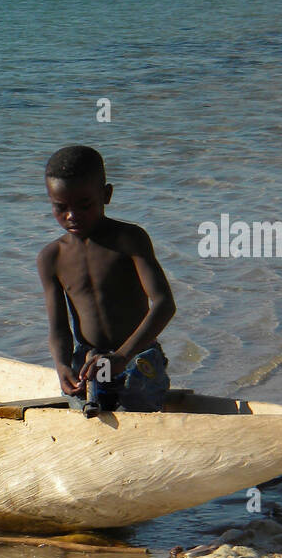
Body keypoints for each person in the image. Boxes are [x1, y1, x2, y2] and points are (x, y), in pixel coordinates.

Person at [35, 145, 176, 414]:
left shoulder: (129, 239)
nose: (72, 216)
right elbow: (59, 328)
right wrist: (62, 365)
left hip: (137, 355)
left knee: (135, 401)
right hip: (89, 361)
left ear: (106, 194)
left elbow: (164, 304)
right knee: (84, 408)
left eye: (84, 205)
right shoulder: (51, 257)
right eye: (60, 207)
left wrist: (122, 357)